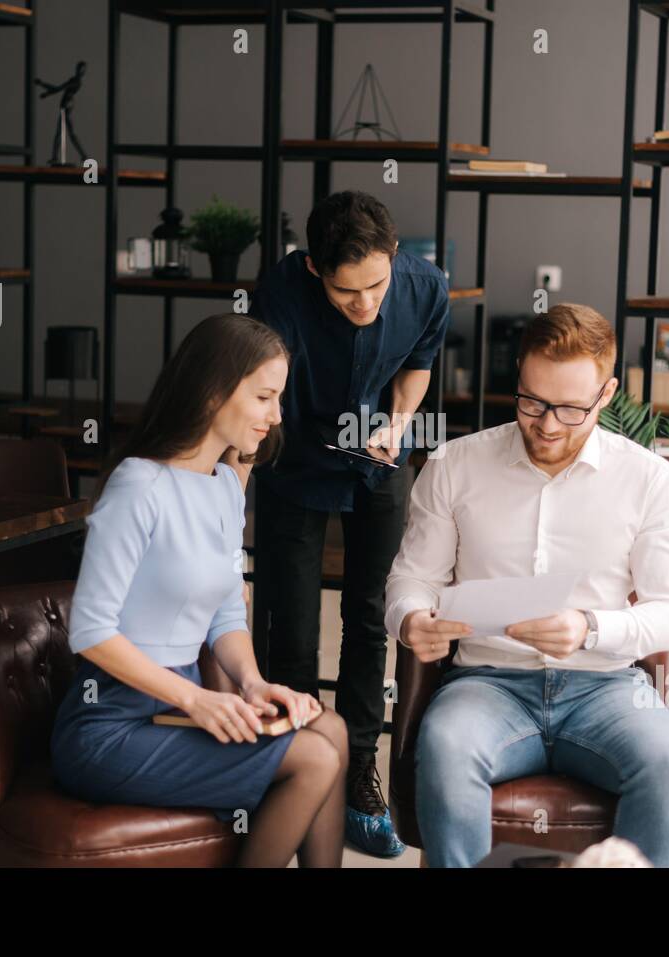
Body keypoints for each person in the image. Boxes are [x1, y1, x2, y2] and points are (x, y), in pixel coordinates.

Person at [385, 303, 669, 868]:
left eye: (571, 409)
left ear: (606, 395)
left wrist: (590, 628)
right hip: (486, 684)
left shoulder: (649, 481)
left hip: (605, 687)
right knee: (447, 747)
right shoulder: (456, 465)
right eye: (532, 402)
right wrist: (412, 619)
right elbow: (414, 576)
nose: (548, 424)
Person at [51, 313, 349, 868]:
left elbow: (223, 617)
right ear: (214, 391)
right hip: (110, 725)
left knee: (330, 727)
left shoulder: (223, 490)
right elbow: (90, 631)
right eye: (264, 396)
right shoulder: (138, 486)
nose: (276, 415)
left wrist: (253, 684)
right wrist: (196, 698)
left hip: (181, 704)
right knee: (312, 758)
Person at [249, 190, 450, 857]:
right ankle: (301, 772)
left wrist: (394, 425)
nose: (365, 304)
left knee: (372, 612)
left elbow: (418, 363)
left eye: (376, 286)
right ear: (313, 270)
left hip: (380, 461)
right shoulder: (277, 293)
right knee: (293, 621)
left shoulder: (426, 287)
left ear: (394, 257)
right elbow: (261, 389)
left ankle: (359, 768)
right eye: (346, 292)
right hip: (297, 457)